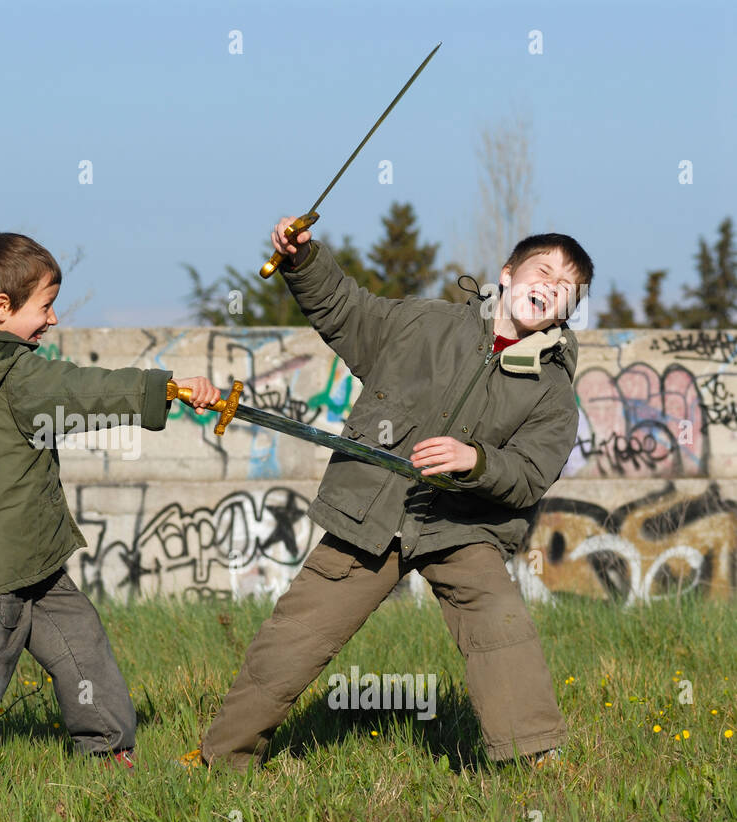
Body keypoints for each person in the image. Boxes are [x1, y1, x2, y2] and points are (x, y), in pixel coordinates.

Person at [190, 217, 593, 772]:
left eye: (567, 287)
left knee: (503, 630)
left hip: (463, 526)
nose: (551, 285)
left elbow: (527, 475)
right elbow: (345, 312)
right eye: (542, 269)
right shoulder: (424, 323)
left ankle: (536, 764)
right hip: (370, 510)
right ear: (507, 275)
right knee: (294, 637)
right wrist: (303, 260)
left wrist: (474, 461)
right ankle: (222, 758)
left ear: (567, 311)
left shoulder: (552, 394)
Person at [0, 231, 218, 773]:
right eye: (45, 305)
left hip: (22, 551)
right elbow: (83, 390)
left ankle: (108, 749)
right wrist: (166, 389)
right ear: (2, 308)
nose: (54, 318)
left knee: (78, 641)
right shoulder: (15, 372)